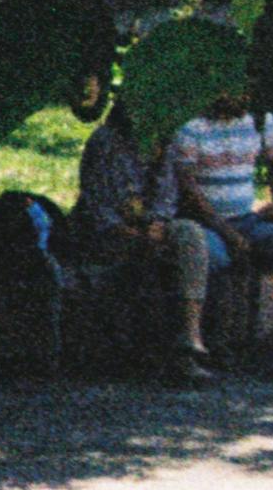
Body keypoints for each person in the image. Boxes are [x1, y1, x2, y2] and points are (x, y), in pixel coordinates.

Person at [69, 99, 220, 375]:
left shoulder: (164, 142)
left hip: (148, 227)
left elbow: (167, 193)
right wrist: (135, 234)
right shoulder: (105, 142)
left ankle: (190, 335)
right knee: (153, 259)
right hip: (107, 233)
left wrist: (158, 223)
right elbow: (98, 205)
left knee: (189, 234)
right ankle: (161, 356)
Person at [166, 92, 273, 374]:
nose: (240, 98)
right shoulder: (191, 126)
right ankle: (212, 346)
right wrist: (226, 231)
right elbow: (188, 191)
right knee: (215, 258)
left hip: (247, 219)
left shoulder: (259, 121)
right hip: (205, 222)